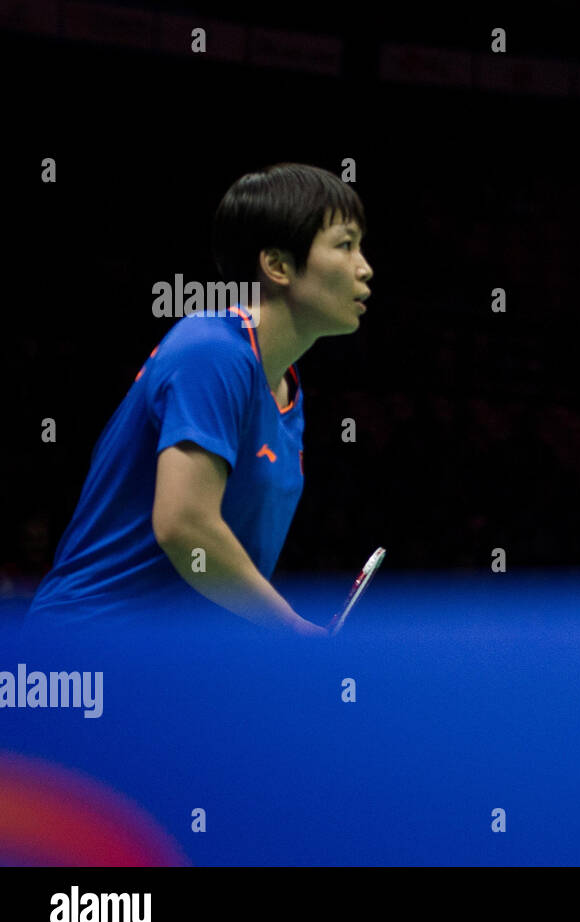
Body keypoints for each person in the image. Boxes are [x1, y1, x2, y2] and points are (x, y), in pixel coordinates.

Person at [22, 163, 373, 637]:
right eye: (345, 245)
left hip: (178, 659)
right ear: (278, 266)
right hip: (91, 649)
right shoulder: (211, 352)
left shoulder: (286, 387)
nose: (364, 267)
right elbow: (184, 525)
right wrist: (290, 630)